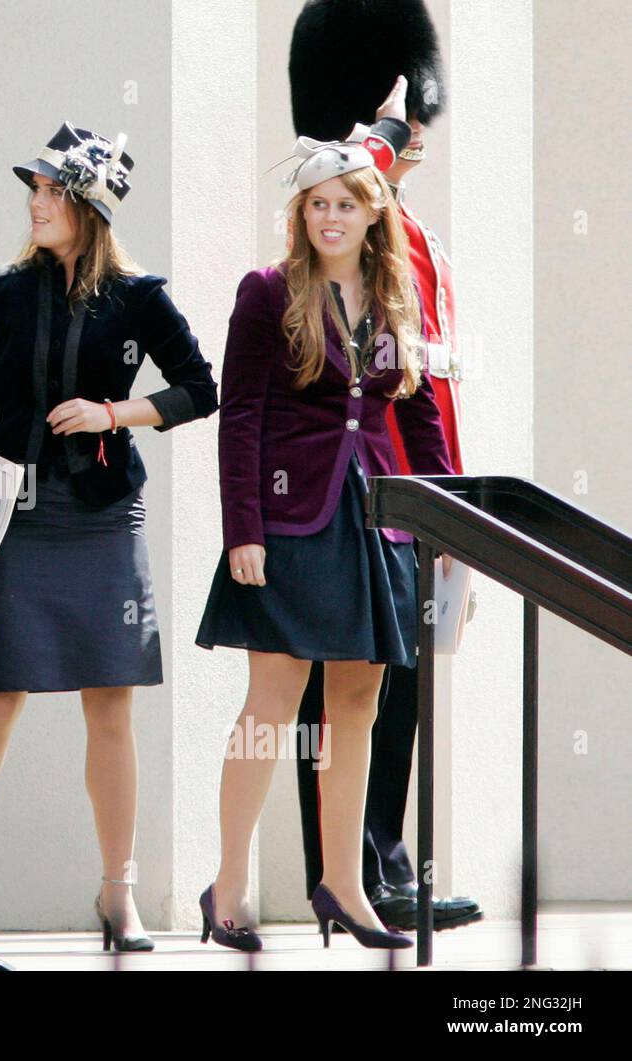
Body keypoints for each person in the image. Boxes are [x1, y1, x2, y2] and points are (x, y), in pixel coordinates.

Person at [0, 123, 218, 949]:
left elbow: (201, 387)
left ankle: (117, 891)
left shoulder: (139, 296)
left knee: (111, 706)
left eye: (54, 191)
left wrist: (114, 412)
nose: (36, 201)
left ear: (90, 207)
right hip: (10, 515)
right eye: (36, 188)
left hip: (101, 515)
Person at [194, 125, 456, 950]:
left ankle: (343, 882)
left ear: (372, 214)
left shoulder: (393, 299)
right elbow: (241, 417)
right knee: (271, 706)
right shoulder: (266, 293)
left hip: (374, 519)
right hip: (286, 521)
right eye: (318, 205)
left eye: (346, 204)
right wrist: (244, 528)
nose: (331, 218)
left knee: (359, 702)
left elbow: (415, 411)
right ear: (300, 214)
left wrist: (448, 517)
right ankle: (229, 885)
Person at [288, 0, 481, 932]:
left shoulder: (420, 244)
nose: (414, 152)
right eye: (406, 140)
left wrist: (455, 511)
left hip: (415, 495)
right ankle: (344, 869)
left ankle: (386, 859)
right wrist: (385, 124)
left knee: (398, 685)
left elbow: (436, 388)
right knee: (342, 689)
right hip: (355, 492)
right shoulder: (350, 231)